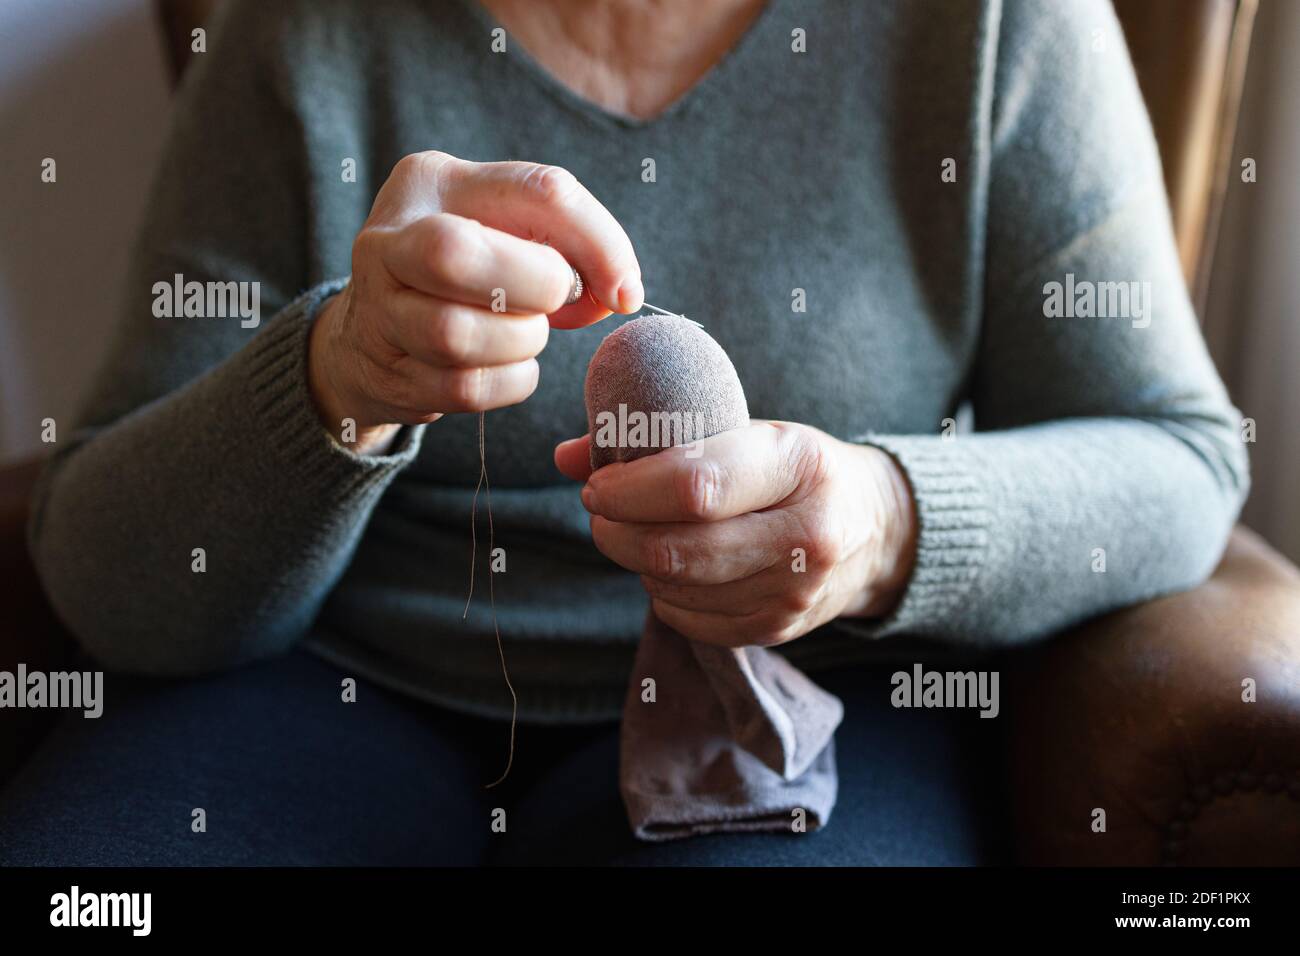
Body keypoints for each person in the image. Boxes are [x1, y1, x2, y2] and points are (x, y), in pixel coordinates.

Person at [2, 0, 1247, 865]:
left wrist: (880, 520)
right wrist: (337, 375)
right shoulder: (303, 33)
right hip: (333, 690)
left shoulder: (988, 30)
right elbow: (106, 578)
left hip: (796, 708)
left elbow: (1176, 453)